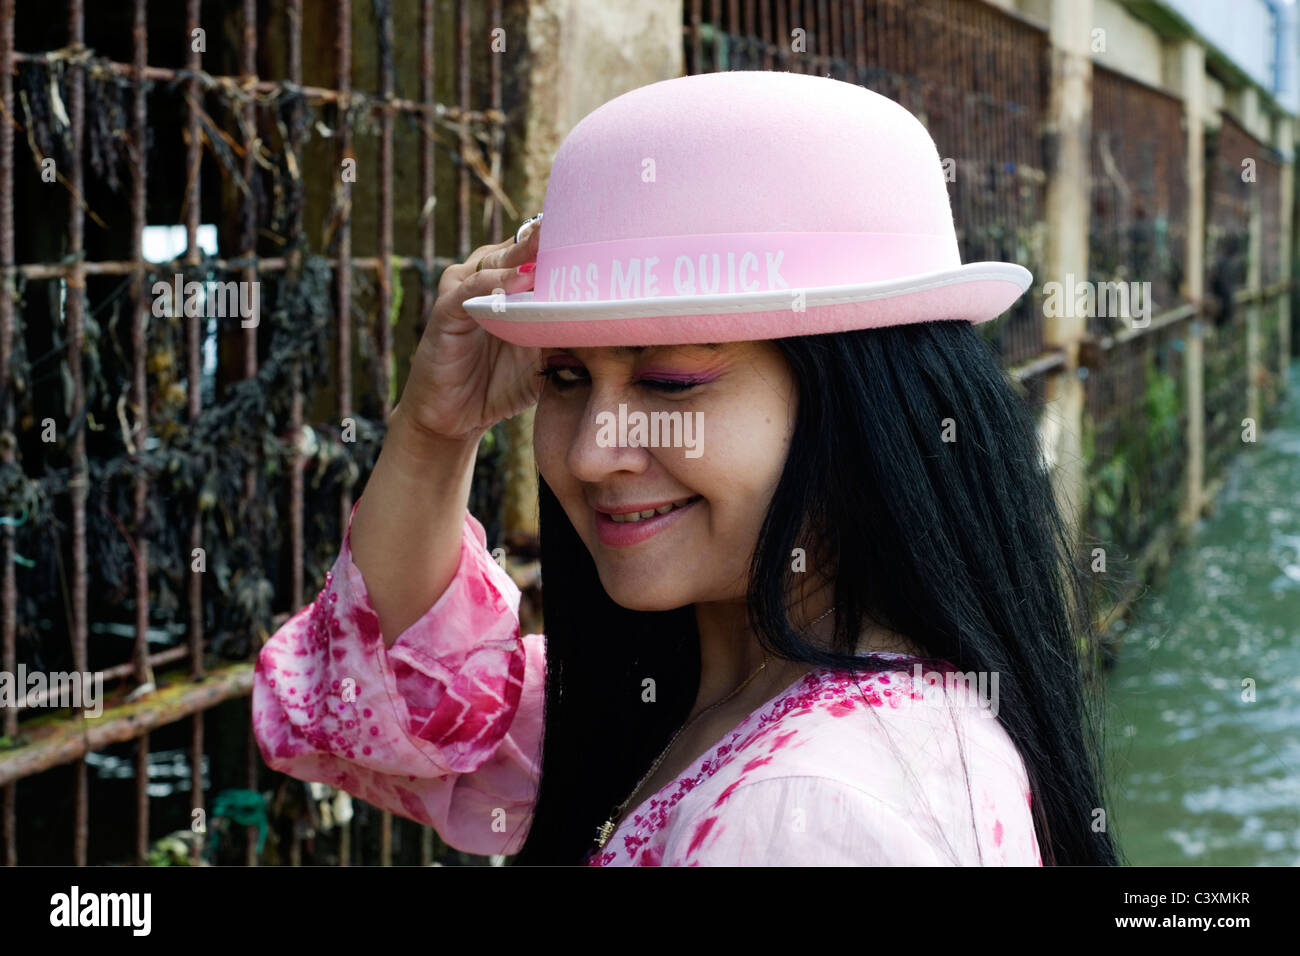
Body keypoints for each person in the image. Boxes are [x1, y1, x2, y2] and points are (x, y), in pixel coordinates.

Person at [253, 71, 1120, 866]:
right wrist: (435, 427)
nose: (592, 452)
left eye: (669, 383)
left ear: (861, 405)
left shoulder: (808, 809)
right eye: (564, 376)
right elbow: (390, 706)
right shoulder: (687, 705)